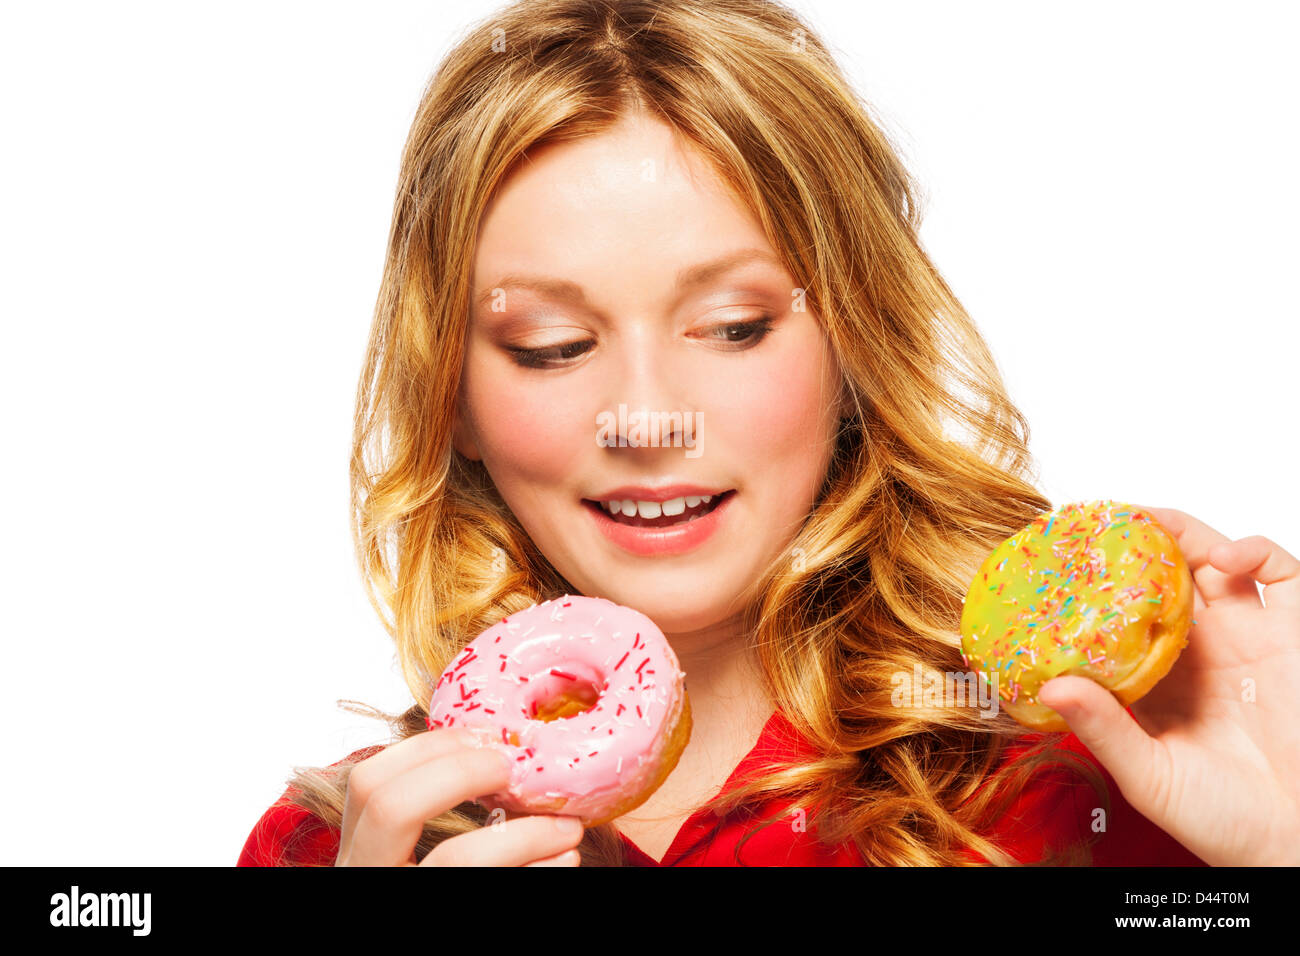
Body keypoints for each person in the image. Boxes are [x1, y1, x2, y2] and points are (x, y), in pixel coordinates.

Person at [238, 0, 1300, 867]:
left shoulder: (1079, 795)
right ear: (452, 396)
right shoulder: (332, 845)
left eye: (735, 327)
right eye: (554, 344)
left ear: (853, 346)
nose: (644, 415)